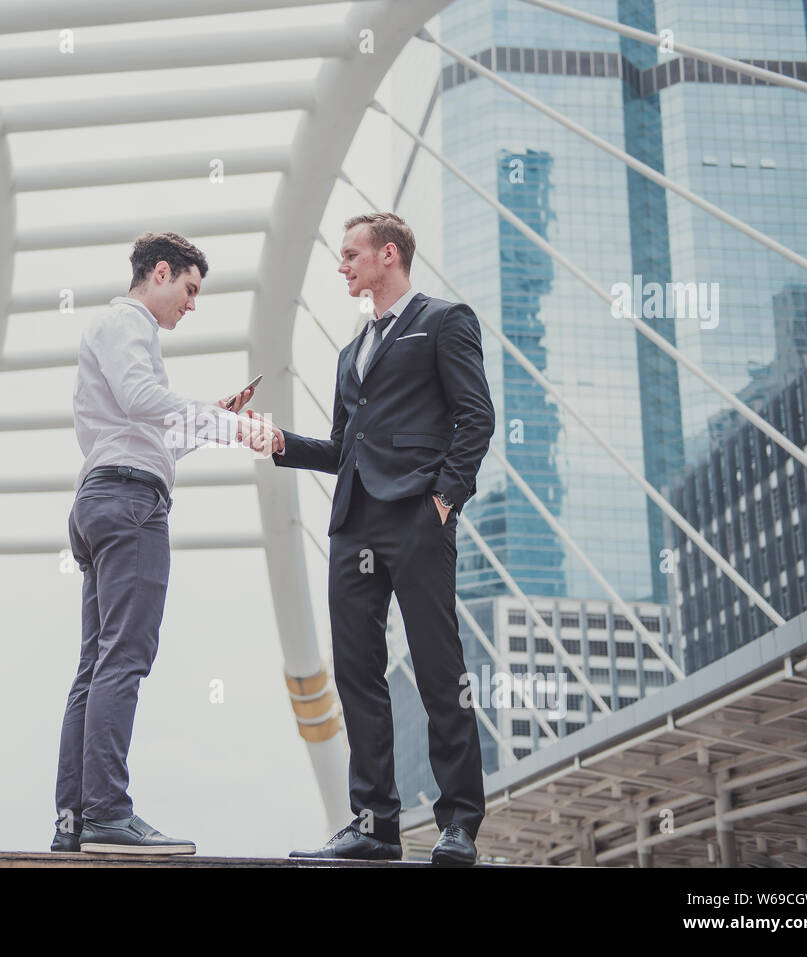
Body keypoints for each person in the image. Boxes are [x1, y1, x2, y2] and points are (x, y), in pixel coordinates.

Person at [245, 212, 495, 865]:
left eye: (351, 253)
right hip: (353, 518)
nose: (342, 264)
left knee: (439, 665)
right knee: (357, 670)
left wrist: (443, 501)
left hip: (416, 515)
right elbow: (339, 447)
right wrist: (278, 442)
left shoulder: (444, 320)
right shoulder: (350, 350)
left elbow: (476, 415)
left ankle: (459, 820)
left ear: (390, 254)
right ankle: (375, 822)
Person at [52, 231, 267, 855]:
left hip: (100, 498)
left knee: (95, 666)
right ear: (162, 272)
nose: (191, 305)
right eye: (190, 290)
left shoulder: (116, 334)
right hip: (131, 506)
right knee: (125, 659)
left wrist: (212, 416)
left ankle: (75, 819)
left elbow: (151, 434)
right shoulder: (130, 324)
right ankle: (109, 815)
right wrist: (229, 424)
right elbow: (145, 400)